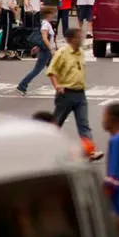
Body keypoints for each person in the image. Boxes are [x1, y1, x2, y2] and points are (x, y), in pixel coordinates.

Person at [47, 28, 103, 161]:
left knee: (84, 124)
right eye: (79, 37)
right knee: (57, 123)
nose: (82, 39)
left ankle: (90, 151)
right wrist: (57, 86)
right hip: (65, 93)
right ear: (71, 39)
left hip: (80, 93)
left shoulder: (81, 53)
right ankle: (46, 147)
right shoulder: (62, 53)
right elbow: (52, 71)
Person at [16, 6, 56, 95]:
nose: (54, 15)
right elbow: (44, 38)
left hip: (46, 51)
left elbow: (43, 39)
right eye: (52, 14)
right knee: (36, 70)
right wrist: (51, 49)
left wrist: (37, 47)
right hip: (46, 52)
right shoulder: (45, 24)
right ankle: (22, 85)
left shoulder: (46, 23)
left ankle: (59, 88)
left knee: (53, 70)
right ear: (48, 14)